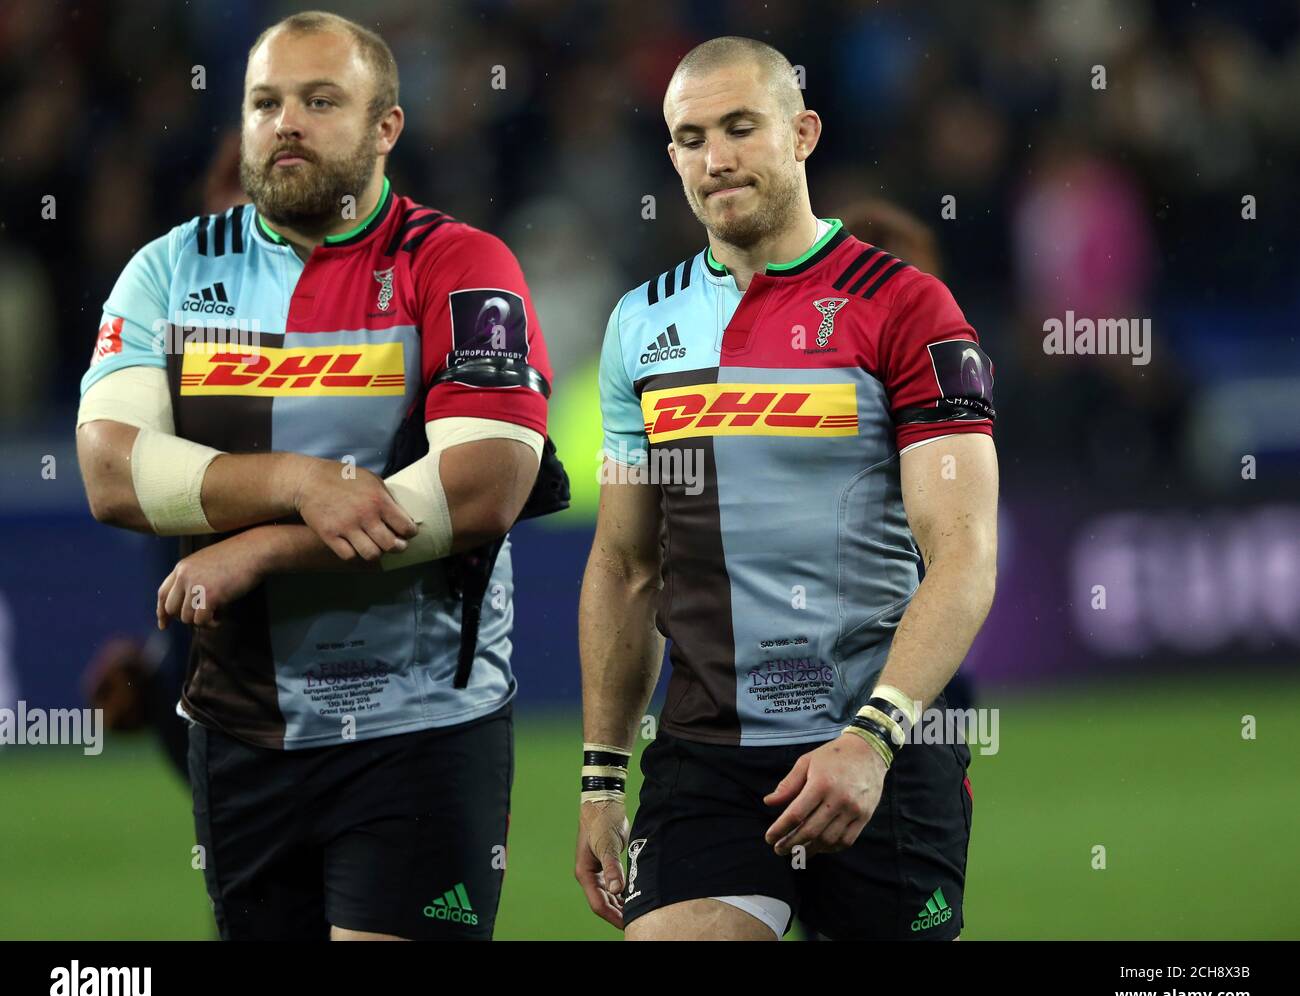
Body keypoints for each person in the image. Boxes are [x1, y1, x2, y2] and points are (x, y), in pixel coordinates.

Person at [75, 10, 555, 940]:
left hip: (420, 728)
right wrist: (299, 481)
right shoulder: (167, 272)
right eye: (265, 102)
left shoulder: (458, 265)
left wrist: (262, 550)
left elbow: (485, 483)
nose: (284, 121)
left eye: (319, 101)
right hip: (239, 729)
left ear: (387, 128)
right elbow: (108, 472)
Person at [575, 36, 997, 940]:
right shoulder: (639, 326)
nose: (716, 159)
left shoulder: (908, 307)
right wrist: (602, 778)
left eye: (740, 128)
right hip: (707, 760)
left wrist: (871, 738)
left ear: (802, 133)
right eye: (691, 138)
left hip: (881, 748)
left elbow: (963, 552)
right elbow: (623, 565)